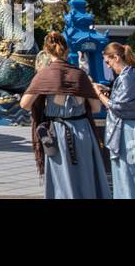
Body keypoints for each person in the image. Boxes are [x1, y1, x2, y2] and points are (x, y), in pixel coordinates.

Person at [19, 31, 109, 199]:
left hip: (58, 134)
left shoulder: (44, 75)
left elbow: (24, 104)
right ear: (67, 51)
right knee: (85, 178)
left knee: (62, 182)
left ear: (46, 52)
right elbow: (96, 108)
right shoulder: (80, 74)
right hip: (83, 131)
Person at [96, 41, 135, 198]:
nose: (107, 66)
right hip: (131, 129)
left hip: (129, 131)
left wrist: (98, 94)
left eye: (108, 61)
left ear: (116, 57)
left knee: (131, 175)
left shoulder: (127, 77)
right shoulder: (132, 74)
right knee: (129, 174)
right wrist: (108, 90)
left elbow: (117, 106)